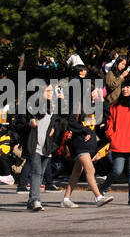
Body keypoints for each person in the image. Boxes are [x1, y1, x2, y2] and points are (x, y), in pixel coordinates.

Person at [19, 84, 64, 212]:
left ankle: (31, 200)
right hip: (34, 145)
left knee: (41, 174)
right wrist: (30, 122)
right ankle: (35, 200)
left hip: (47, 145)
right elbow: (21, 123)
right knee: (37, 173)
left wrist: (54, 129)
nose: (50, 93)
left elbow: (57, 120)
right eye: (48, 91)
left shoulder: (52, 106)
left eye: (51, 91)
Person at [60, 111, 113, 208]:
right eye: (92, 94)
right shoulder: (78, 104)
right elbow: (71, 122)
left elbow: (95, 123)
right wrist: (85, 131)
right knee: (90, 170)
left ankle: (65, 199)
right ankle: (99, 197)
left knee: (76, 173)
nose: (94, 95)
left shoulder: (93, 107)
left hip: (89, 145)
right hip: (80, 143)